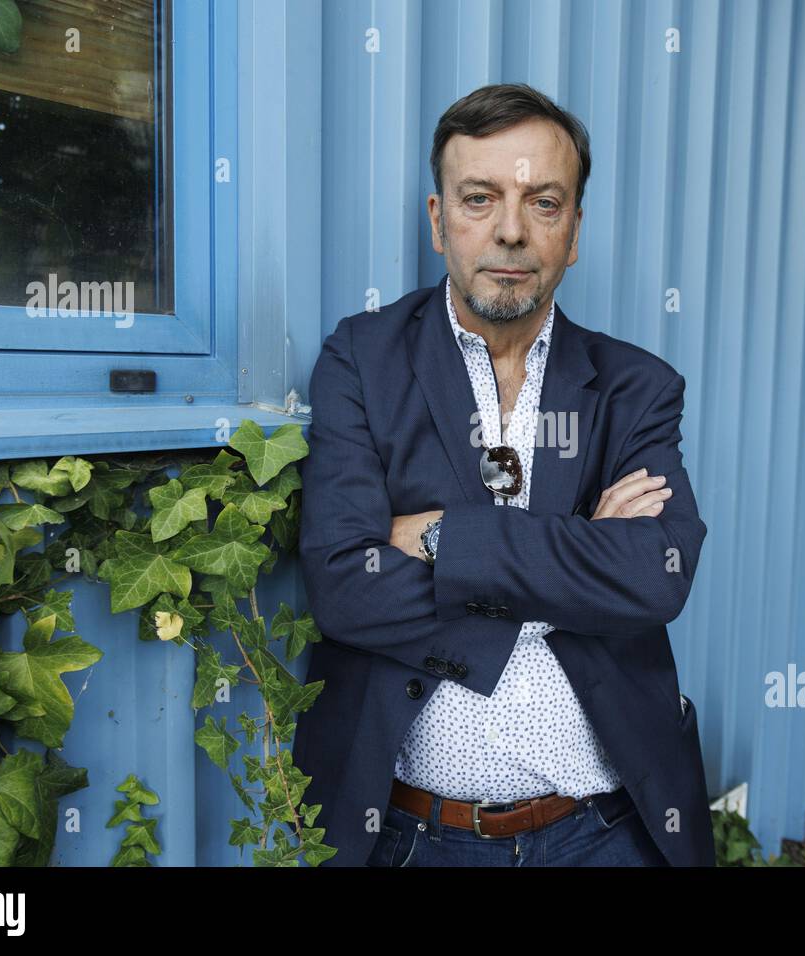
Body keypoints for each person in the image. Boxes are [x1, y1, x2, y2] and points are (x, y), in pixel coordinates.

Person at [291, 82, 712, 866]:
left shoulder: (637, 387)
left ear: (575, 230)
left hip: (607, 832)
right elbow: (345, 588)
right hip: (416, 838)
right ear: (439, 220)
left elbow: (657, 575)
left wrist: (445, 538)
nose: (511, 232)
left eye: (543, 203)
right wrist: (580, 553)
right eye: (480, 198)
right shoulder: (361, 360)